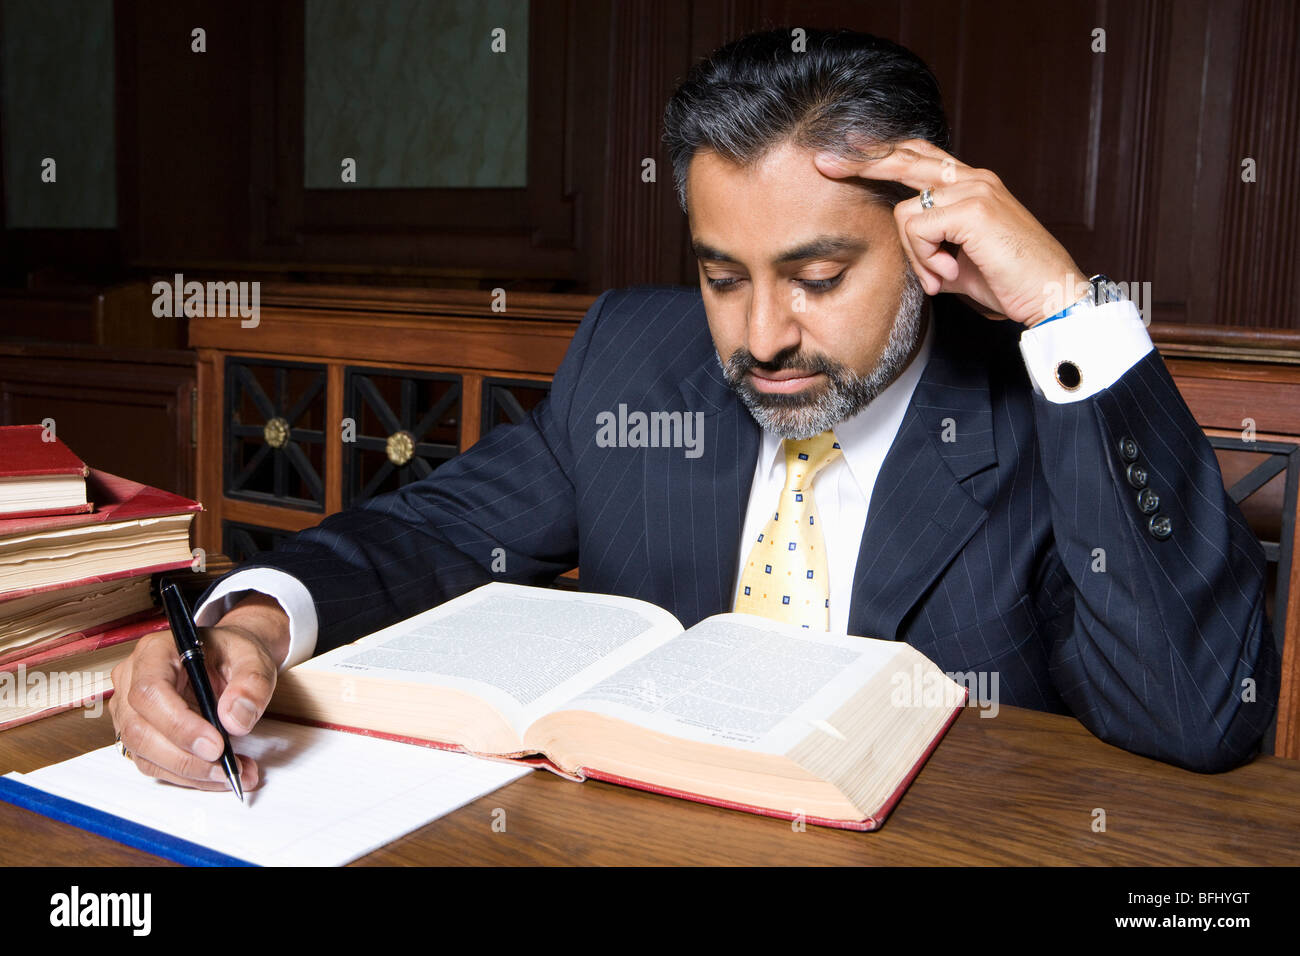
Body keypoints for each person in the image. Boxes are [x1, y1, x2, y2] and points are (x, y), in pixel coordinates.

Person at [109, 28, 1279, 793]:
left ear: (933, 238)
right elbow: (433, 530)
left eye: (818, 279)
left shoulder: (1037, 411)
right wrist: (256, 616)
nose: (761, 334)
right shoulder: (634, 359)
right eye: (723, 275)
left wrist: (1065, 312)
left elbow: (1193, 712)